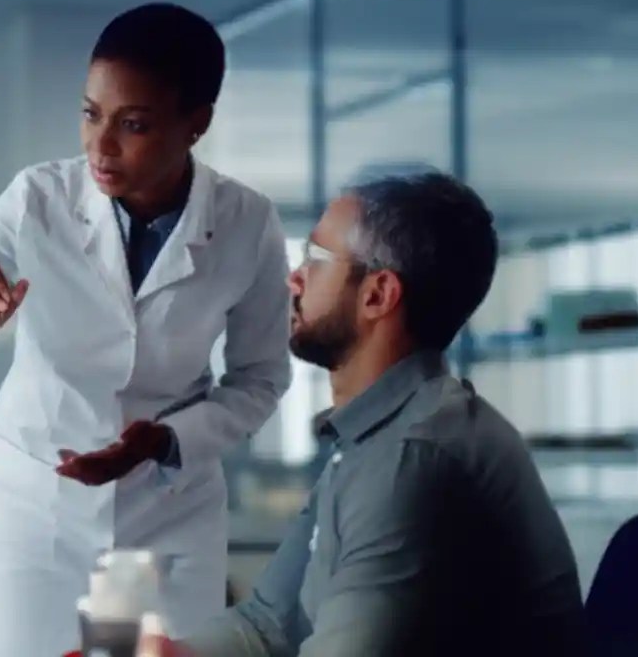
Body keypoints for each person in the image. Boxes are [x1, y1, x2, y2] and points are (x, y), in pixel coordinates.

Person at [0, 3, 292, 656]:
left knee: (144, 655)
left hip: (162, 508)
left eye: (132, 125)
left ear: (197, 124)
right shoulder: (36, 199)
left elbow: (260, 379)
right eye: (90, 114)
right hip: (36, 503)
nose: (100, 147)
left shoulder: (247, 223)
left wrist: (164, 440)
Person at [153, 172, 589, 656]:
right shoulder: (371, 438)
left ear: (378, 295)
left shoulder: (414, 456)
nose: (293, 279)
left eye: (315, 261)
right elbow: (265, 627)